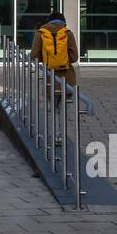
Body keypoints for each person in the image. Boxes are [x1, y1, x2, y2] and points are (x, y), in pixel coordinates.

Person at [31, 12, 78, 144]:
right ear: (63, 21)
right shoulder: (67, 33)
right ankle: (62, 136)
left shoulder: (40, 33)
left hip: (50, 77)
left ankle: (55, 135)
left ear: (48, 21)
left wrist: (47, 60)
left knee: (52, 108)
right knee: (63, 108)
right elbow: (74, 57)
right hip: (67, 77)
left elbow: (34, 55)